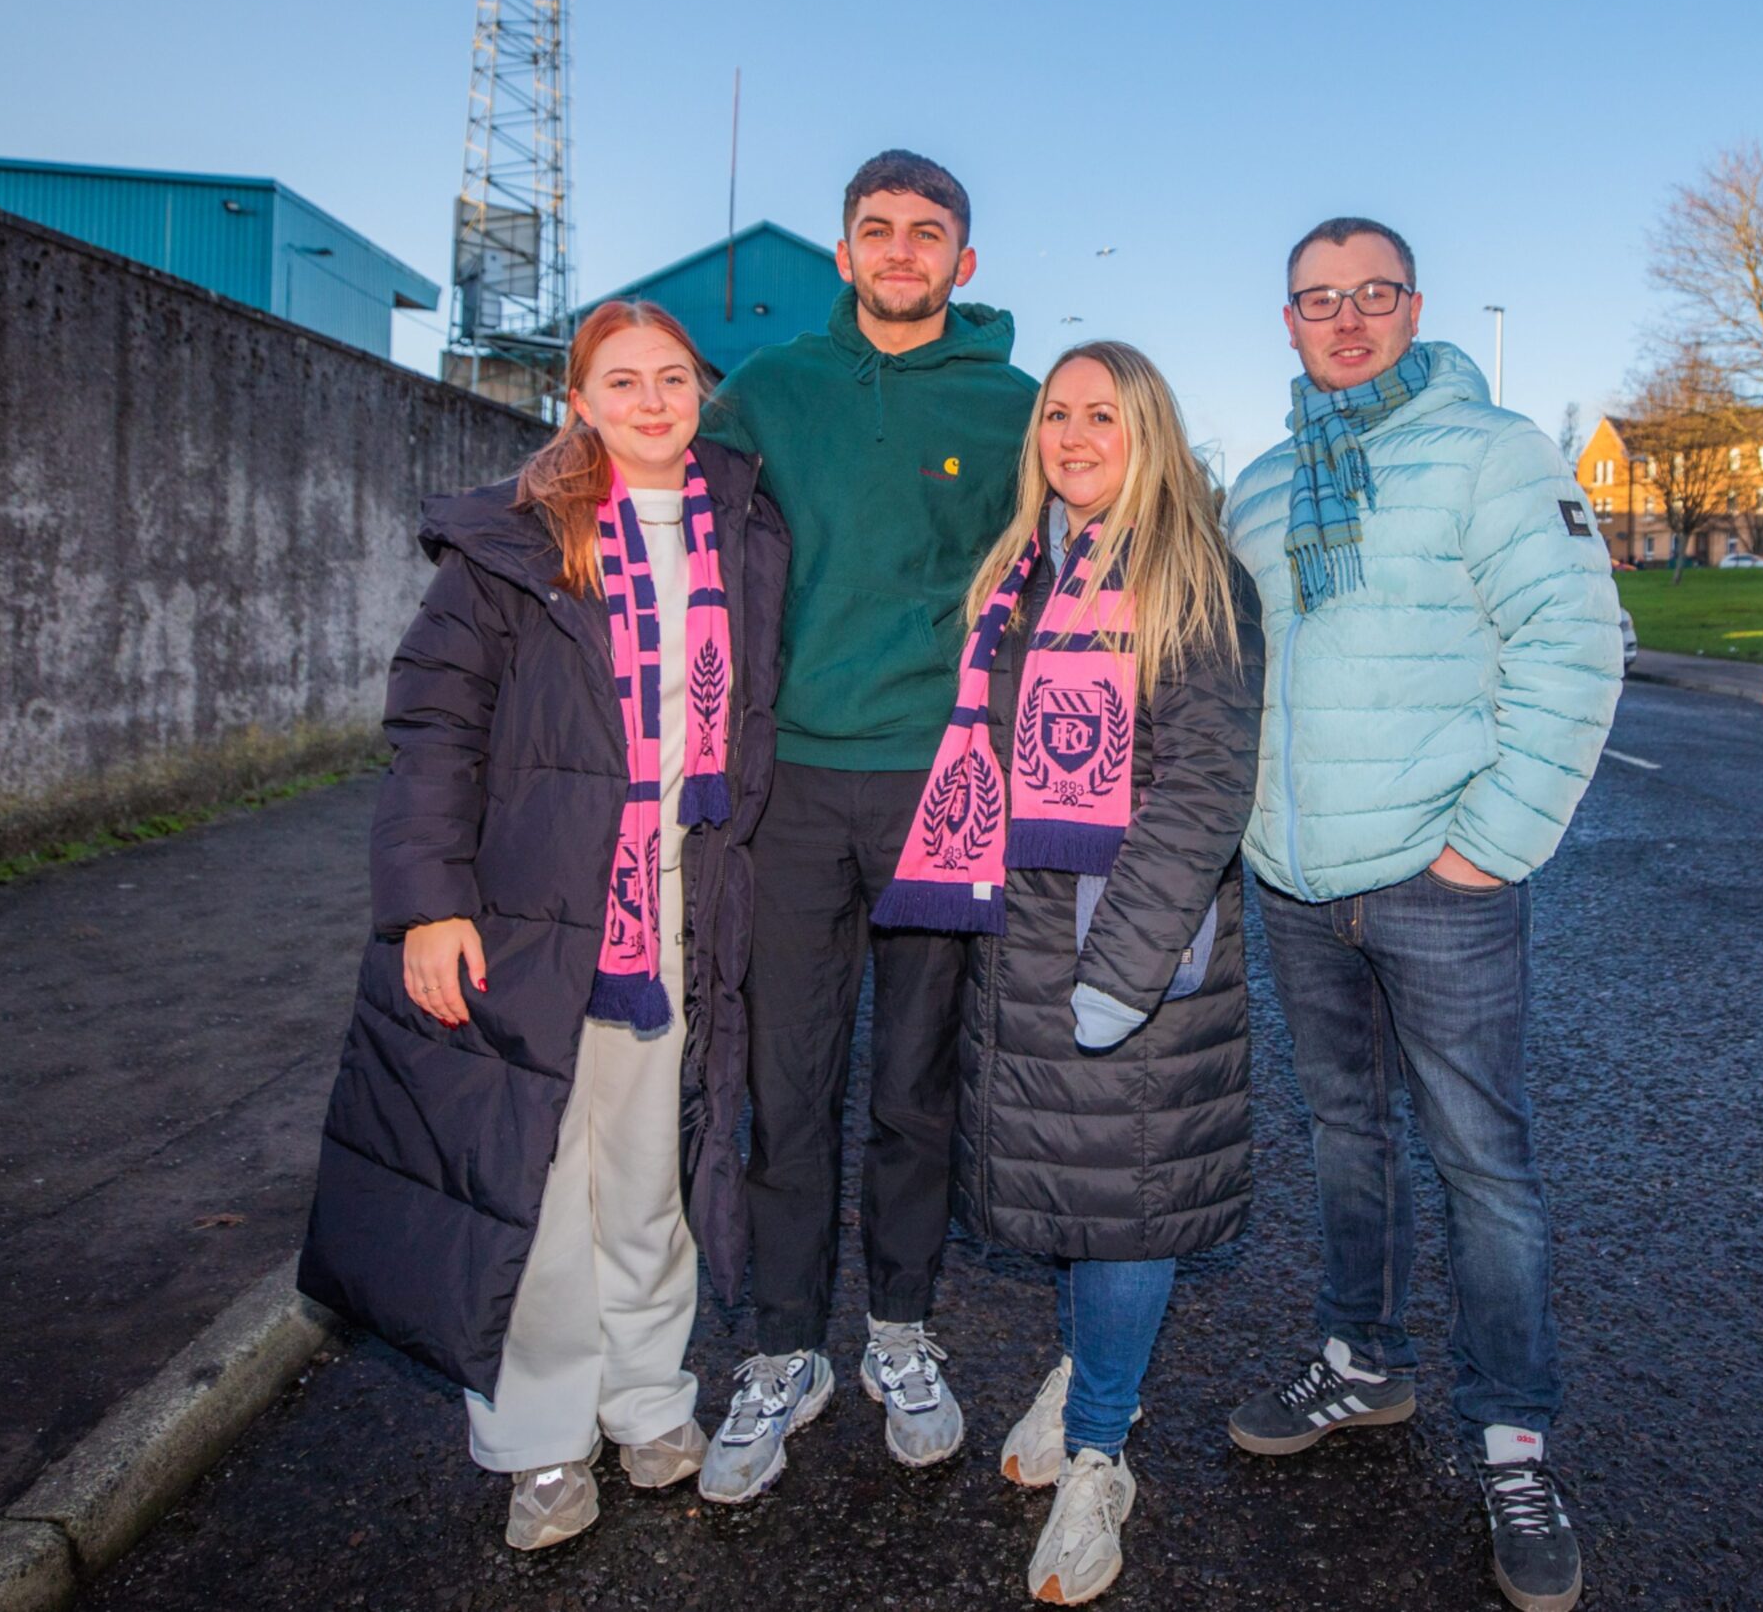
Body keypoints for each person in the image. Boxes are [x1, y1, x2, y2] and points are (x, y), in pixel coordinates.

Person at [296, 301, 788, 1551]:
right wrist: (426, 906)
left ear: (701, 393)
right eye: (621, 382)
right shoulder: (509, 544)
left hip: (683, 897)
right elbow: (432, 731)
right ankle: (540, 1440)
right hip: (526, 906)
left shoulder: (747, 527)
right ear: (578, 401)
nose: (652, 402)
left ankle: (647, 1397)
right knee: (536, 1170)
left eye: (674, 379)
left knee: (648, 1168)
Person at [1223, 217, 1621, 1612]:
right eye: (1318, 300)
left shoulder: (1494, 451)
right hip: (1298, 877)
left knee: (1482, 1162)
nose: (1346, 320)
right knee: (1344, 1138)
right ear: (1288, 319)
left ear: (1414, 306)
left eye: (1371, 295)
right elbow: (1228, 668)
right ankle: (1361, 1357)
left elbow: (1574, 641)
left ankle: (1513, 1436)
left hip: (1439, 879)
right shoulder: (1264, 483)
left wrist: (1491, 844)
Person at [874, 342, 1263, 1603]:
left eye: (1104, 414)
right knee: (1065, 1185)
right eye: (1057, 413)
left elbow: (1205, 786)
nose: (1076, 435)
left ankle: (1102, 1446)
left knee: (1127, 1196)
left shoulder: (1192, 576)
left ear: (1147, 430)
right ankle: (1088, 1368)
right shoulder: (1020, 570)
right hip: (1022, 933)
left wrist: (1128, 959)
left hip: (1130, 943)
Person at [692, 151, 1038, 1502]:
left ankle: (899, 1328)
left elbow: (1106, 532)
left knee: (913, 1083)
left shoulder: (1015, 405)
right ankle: (786, 1348)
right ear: (842, 254)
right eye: (876, 230)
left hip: (938, 783)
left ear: (964, 262)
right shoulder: (767, 391)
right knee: (786, 1083)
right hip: (788, 786)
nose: (901, 251)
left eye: (928, 233)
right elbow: (665, 511)